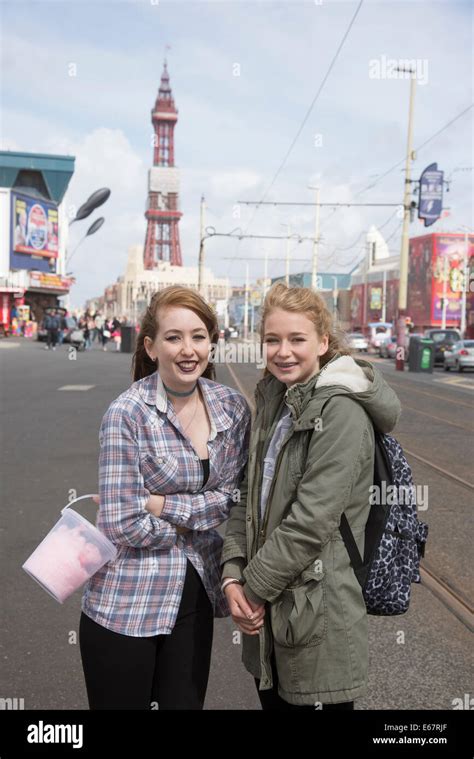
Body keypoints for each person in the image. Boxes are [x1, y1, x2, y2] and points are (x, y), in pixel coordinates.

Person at [221, 283, 401, 710]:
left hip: (318, 615)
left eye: (297, 339)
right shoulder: (274, 400)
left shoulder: (340, 410)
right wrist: (231, 573)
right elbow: (245, 499)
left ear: (323, 342)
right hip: (271, 614)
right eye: (272, 340)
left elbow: (312, 520)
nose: (283, 351)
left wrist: (251, 590)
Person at [79, 285, 251, 710]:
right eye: (174, 337)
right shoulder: (127, 413)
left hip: (194, 597)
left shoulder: (231, 408)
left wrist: (157, 503)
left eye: (198, 336)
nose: (188, 349)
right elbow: (121, 524)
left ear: (212, 341)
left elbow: (236, 496)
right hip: (126, 604)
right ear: (152, 347)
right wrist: (200, 514)